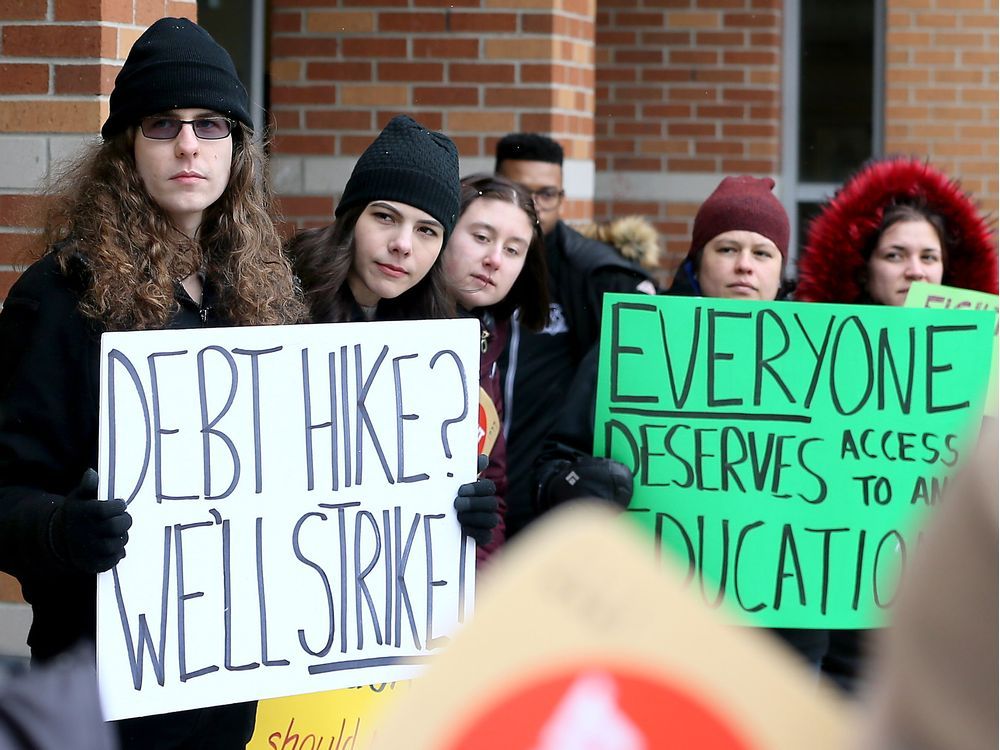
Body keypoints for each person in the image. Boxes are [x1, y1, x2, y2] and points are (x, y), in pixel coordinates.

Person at [0, 17, 304, 749]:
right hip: (96, 683)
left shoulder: (261, 295)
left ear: (238, 149)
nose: (190, 145)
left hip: (227, 675)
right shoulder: (60, 295)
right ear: (127, 148)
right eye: (163, 124)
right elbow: (5, 490)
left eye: (210, 125)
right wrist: (61, 529)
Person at [535, 175, 828, 670]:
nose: (744, 266)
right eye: (727, 248)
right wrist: (576, 484)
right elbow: (551, 467)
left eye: (763, 253)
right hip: (655, 628)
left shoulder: (820, 361)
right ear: (696, 258)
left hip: (783, 639)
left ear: (782, 271)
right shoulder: (634, 343)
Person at [795, 156, 999, 693]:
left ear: (946, 271)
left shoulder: (988, 366)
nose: (915, 269)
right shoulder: (809, 359)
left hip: (945, 619)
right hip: (837, 623)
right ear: (865, 269)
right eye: (896, 255)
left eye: (929, 257)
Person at [286, 116, 501, 552]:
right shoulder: (272, 300)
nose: (403, 244)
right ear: (350, 218)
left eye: (427, 230)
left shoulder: (440, 338)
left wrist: (464, 513)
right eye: (385, 216)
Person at [494, 133, 655, 539]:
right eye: (522, 192)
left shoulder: (594, 274)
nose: (535, 206)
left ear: (562, 197)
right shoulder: (469, 265)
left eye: (547, 193)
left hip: (547, 502)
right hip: (471, 497)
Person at [440, 174, 549, 562]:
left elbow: (494, 489)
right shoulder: (388, 323)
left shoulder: (489, 338)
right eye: (482, 237)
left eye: (514, 249)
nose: (495, 259)